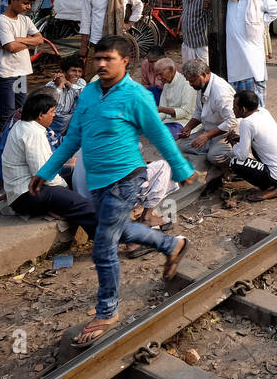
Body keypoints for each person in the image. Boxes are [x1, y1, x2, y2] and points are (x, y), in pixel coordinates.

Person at [30, 36, 198, 346]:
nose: (102, 64)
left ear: (125, 62)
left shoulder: (136, 95)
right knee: (118, 231)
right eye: (98, 59)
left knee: (103, 245)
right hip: (97, 181)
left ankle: (107, 311)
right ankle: (171, 244)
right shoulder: (91, 92)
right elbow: (73, 138)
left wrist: (182, 169)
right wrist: (46, 171)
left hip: (125, 179)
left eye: (109, 59)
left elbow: (159, 135)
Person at [3, 91, 96, 232]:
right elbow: (43, 175)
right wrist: (65, 189)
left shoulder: (24, 126)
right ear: (40, 115)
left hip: (27, 189)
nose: (55, 115)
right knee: (84, 205)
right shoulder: (32, 133)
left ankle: (58, 205)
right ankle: (104, 242)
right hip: (26, 195)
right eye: (52, 112)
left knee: (78, 174)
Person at [0, 0, 44, 167]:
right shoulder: (1, 21)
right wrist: (27, 42)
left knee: (21, 113)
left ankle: (13, 152)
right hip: (5, 75)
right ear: (13, 0)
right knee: (6, 115)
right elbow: (10, 48)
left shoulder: (25, 20)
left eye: (30, 3)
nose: (28, 7)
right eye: (25, 3)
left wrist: (19, 40)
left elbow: (40, 39)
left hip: (21, 74)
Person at [221, 0, 277, 105]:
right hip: (234, 59)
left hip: (251, 59)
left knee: (254, 104)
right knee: (238, 104)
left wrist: (261, 23)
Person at [225, 89, 277, 201]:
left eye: (235, 106)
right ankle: (276, 184)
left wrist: (233, 143)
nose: (232, 109)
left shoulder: (246, 122)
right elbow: (263, 136)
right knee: (255, 150)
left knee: (235, 162)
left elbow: (242, 156)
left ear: (243, 109)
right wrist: (241, 138)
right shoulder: (264, 112)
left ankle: (271, 189)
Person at [177, 58, 238, 174]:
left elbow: (232, 121)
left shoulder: (220, 92)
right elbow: (199, 111)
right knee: (183, 145)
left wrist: (206, 136)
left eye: (193, 81)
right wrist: (189, 127)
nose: (190, 84)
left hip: (228, 133)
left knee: (214, 155)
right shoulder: (202, 86)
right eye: (189, 81)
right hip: (210, 131)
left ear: (203, 75)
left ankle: (236, 162)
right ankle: (214, 148)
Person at [77, 0, 144, 67]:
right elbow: (85, 20)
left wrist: (130, 24)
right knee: (92, 77)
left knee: (115, 77)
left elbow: (139, 5)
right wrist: (83, 45)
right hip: (96, 42)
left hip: (117, 43)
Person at [174, 0, 211, 64]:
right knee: (189, 74)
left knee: (203, 73)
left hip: (202, 43)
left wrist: (208, 7)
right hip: (187, 41)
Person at [44, 55, 86, 136]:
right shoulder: (51, 85)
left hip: (68, 123)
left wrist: (67, 83)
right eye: (73, 71)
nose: (77, 74)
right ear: (63, 72)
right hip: (51, 121)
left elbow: (84, 96)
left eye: (79, 71)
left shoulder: (81, 82)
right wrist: (60, 85)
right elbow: (48, 104)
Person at [154, 56, 193, 137]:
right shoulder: (166, 84)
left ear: (171, 70)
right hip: (168, 121)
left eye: (161, 74)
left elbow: (185, 112)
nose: (159, 78)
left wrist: (161, 109)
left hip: (184, 121)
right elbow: (162, 113)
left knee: (163, 135)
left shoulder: (186, 83)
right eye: (157, 75)